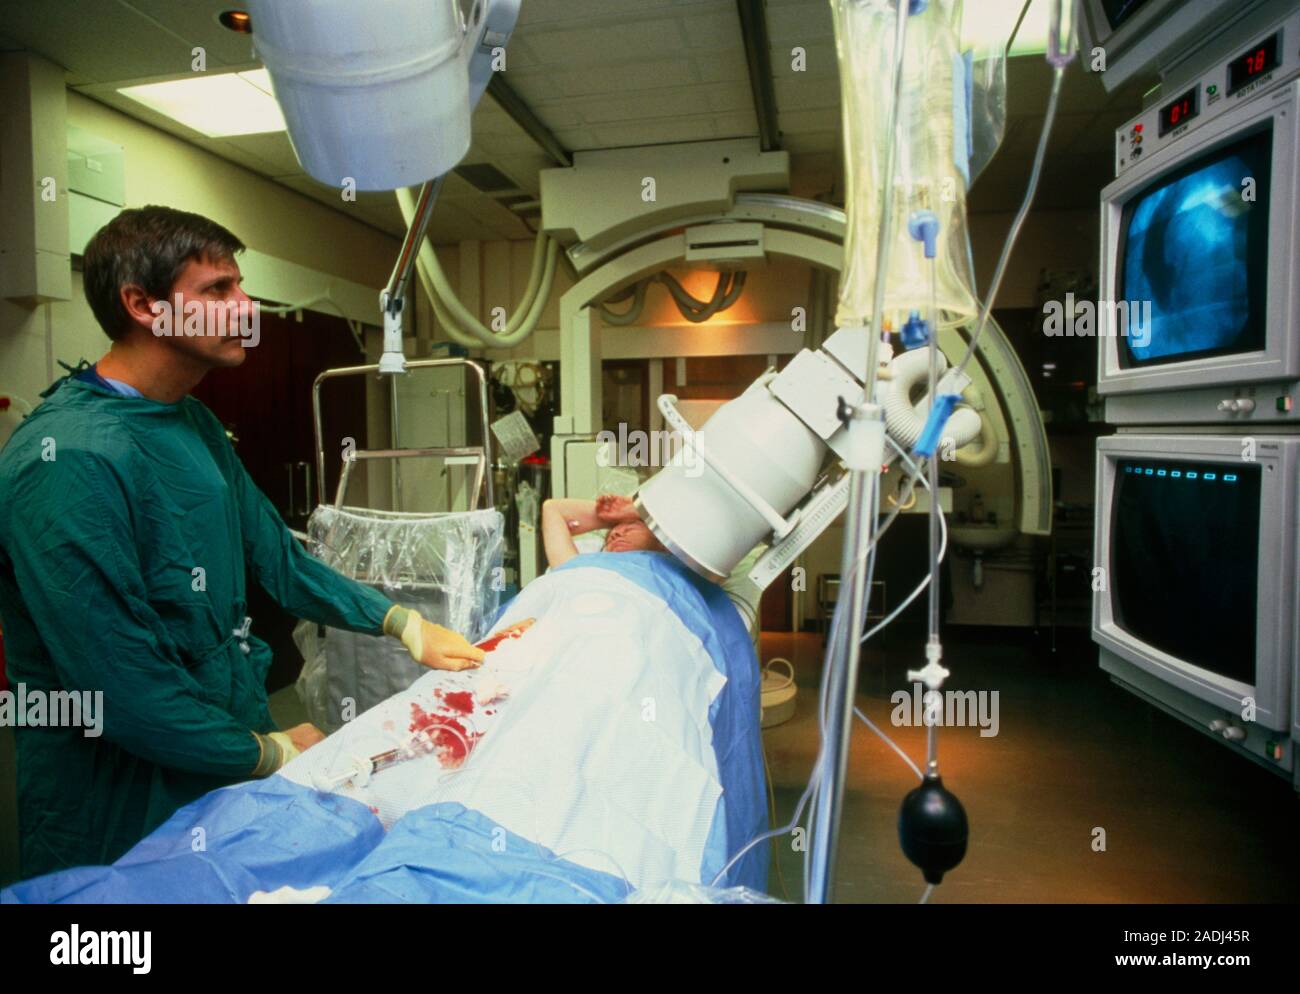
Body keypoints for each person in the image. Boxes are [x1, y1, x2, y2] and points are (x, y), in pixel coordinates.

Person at [0, 205, 484, 879]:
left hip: (221, 745)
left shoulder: (190, 422)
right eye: (218, 290)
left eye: (240, 285)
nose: (246, 307)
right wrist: (270, 753)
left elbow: (277, 558)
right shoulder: (69, 460)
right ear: (142, 304)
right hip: (118, 788)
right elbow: (120, 688)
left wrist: (399, 622)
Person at [540, 493, 765, 648]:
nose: (616, 533)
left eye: (629, 527)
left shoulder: (683, 574)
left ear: (661, 540)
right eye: (611, 534)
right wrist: (623, 517)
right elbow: (553, 509)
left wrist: (634, 510)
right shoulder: (581, 570)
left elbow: (718, 529)